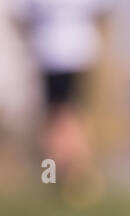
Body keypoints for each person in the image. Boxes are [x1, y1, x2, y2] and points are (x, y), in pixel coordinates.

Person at [11, 0, 113, 201]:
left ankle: (70, 173)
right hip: (58, 53)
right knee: (64, 115)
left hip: (68, 52)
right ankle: (69, 173)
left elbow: (20, 16)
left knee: (63, 115)